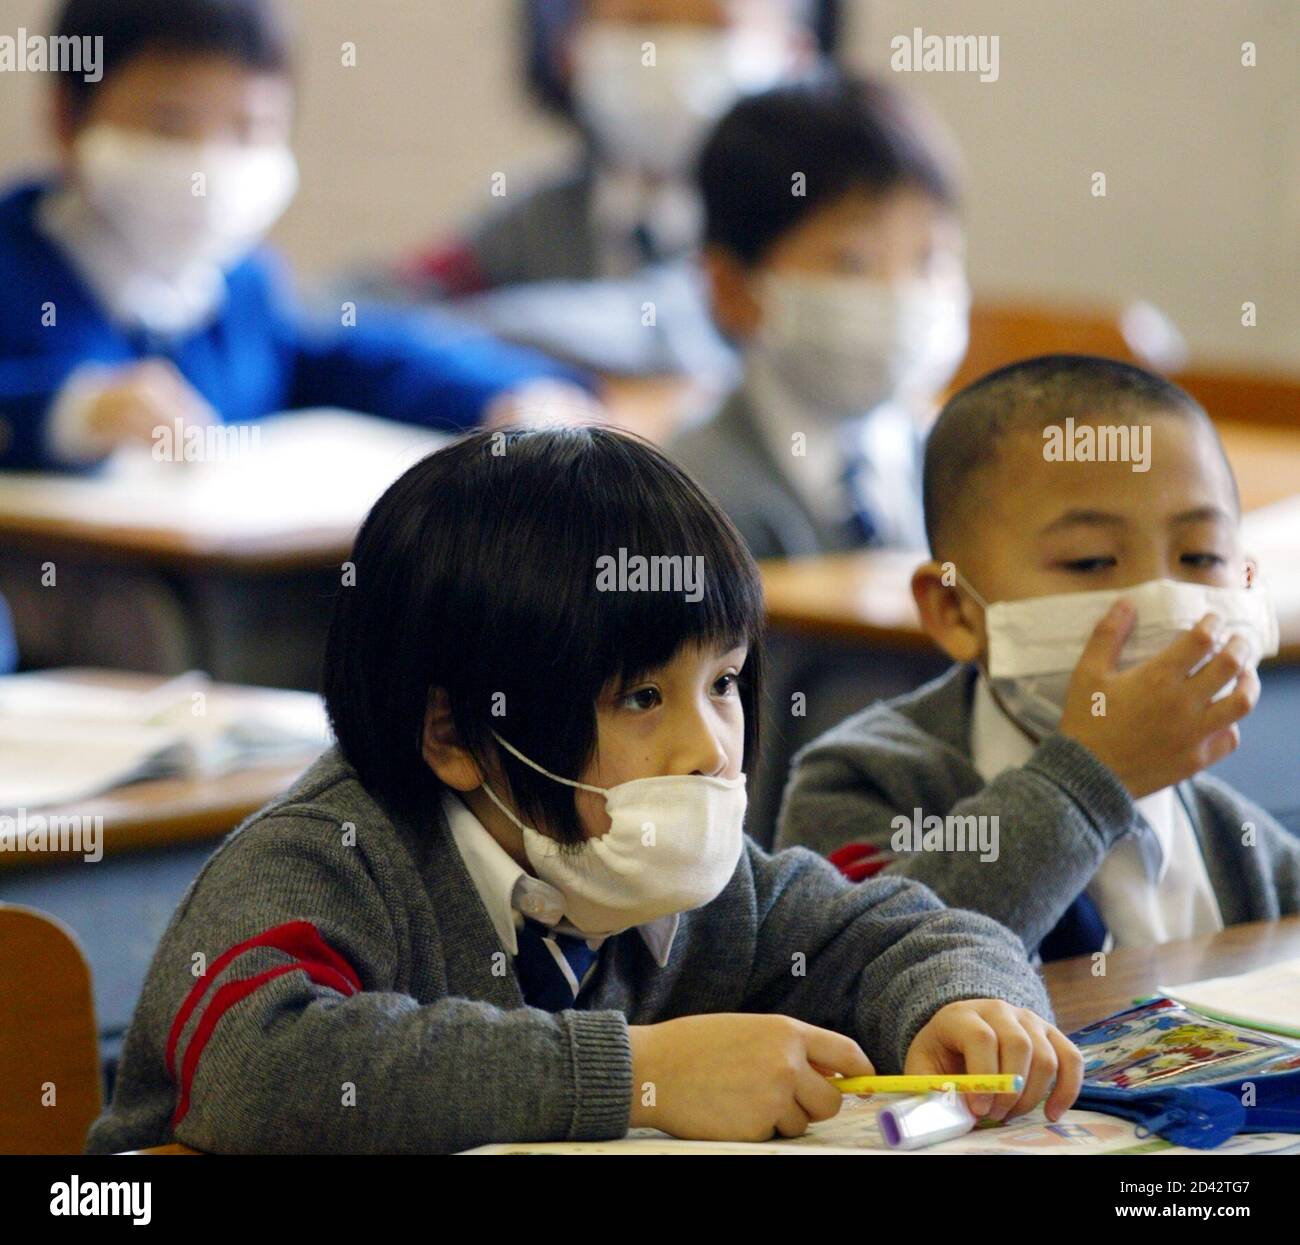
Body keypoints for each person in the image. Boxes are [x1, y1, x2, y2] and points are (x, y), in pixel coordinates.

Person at [86, 425, 1081, 1154]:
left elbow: (902, 931)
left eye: (725, 683)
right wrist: (644, 1076)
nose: (709, 748)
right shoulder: (330, 858)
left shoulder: (701, 889)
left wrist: (966, 1003)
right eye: (643, 696)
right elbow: (260, 1071)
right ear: (454, 733)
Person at [777, 355, 1297, 961]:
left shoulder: (1229, 837)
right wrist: (1091, 778)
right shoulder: (864, 780)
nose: (1160, 598)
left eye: (1202, 557)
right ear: (955, 609)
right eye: (1091, 561)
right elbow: (865, 970)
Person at [0, 0, 596, 472]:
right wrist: (70, 412)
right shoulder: (17, 268)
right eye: (170, 122)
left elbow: (348, 355)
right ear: (66, 118)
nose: (210, 166)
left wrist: (513, 394)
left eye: (249, 130)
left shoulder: (239, 287)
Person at [355, 0, 840, 379]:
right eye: (639, 22)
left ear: (798, 55)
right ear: (570, 49)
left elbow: (680, 324)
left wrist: (463, 331)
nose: (672, 52)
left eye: (716, 27)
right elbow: (369, 307)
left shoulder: (805, 221)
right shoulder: (537, 217)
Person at [669, 75, 969, 557]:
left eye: (928, 259)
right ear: (731, 289)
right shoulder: (689, 506)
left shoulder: (964, 475)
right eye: (852, 262)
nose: (900, 295)